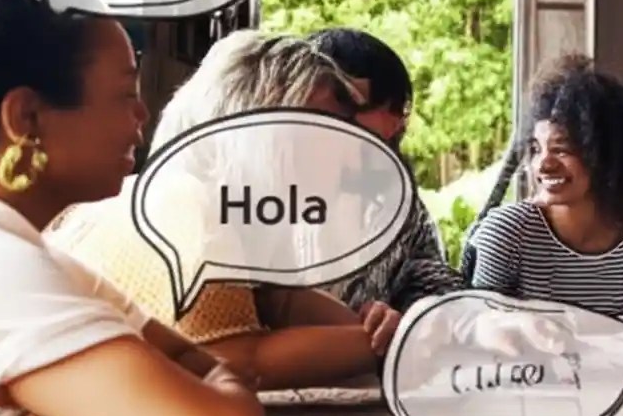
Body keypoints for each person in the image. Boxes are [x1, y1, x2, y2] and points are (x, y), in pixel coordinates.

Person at [0, 0, 267, 416]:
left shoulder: (43, 260)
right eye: (124, 93)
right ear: (26, 118)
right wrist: (171, 409)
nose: (142, 114)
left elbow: (195, 361)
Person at [45, 31, 402, 391]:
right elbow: (234, 360)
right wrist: (393, 344)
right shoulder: (189, 208)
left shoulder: (232, 210)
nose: (350, 149)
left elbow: (282, 301)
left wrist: (375, 329)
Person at [460, 57, 623, 317]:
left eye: (562, 149)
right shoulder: (507, 233)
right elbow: (478, 328)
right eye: (536, 149)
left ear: (610, 154)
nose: (544, 165)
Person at [306, 28, 466, 312]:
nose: (395, 123)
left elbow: (437, 291)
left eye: (401, 110)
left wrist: (405, 317)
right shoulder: (261, 199)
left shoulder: (402, 210)